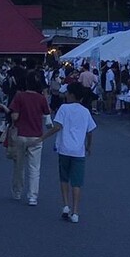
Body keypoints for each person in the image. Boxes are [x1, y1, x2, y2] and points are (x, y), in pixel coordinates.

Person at [46, 83, 97, 222]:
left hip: (64, 149)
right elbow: (90, 131)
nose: (66, 95)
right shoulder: (85, 111)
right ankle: (75, 212)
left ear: (72, 95)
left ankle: (65, 205)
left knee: (64, 178)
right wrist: (88, 145)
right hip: (78, 150)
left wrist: (42, 137)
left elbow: (57, 127)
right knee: (77, 182)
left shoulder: (64, 108)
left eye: (67, 93)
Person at [8, 70, 50, 205]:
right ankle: (33, 196)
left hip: (21, 134)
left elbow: (14, 116)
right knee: (34, 167)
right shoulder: (41, 98)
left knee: (18, 165)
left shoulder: (19, 96)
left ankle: (17, 191)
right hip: (36, 135)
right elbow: (46, 112)